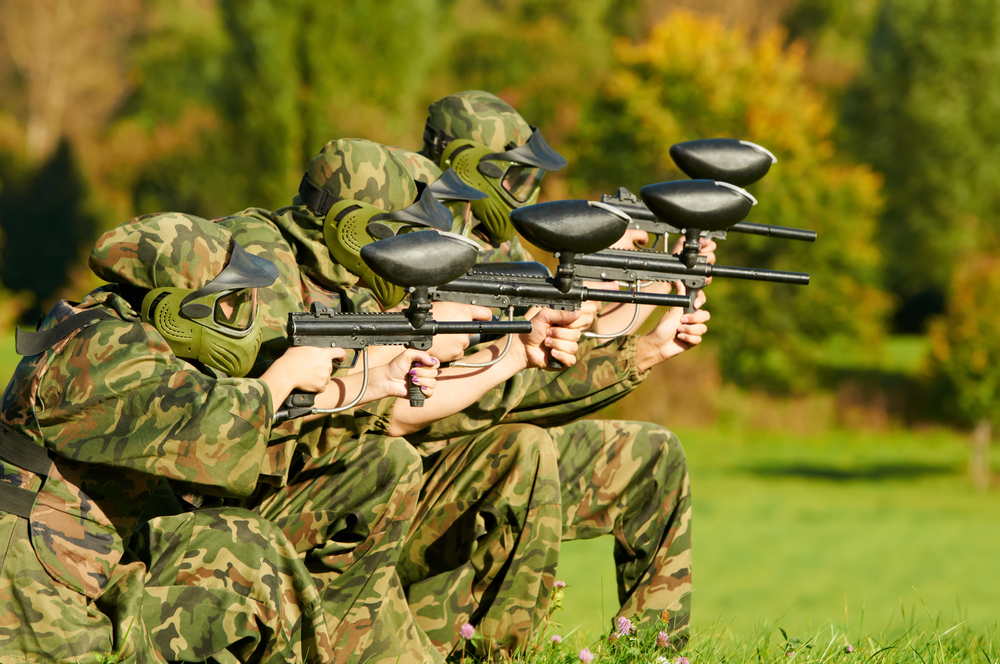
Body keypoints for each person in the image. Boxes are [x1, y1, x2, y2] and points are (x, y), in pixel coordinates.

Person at [221, 137, 583, 658]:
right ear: (355, 226)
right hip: (248, 511)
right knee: (386, 462)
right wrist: (404, 342)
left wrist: (514, 355)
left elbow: (386, 406)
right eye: (400, 231)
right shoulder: (264, 270)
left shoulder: (338, 267)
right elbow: (284, 411)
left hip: (334, 491)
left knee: (511, 448)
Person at [413, 90, 713, 645]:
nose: (531, 194)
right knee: (525, 448)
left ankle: (651, 653)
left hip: (488, 452)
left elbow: (559, 357)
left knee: (653, 456)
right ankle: (504, 654)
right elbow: (506, 394)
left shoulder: (504, 260)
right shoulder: (412, 254)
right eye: (520, 179)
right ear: (473, 171)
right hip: (430, 469)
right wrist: (632, 329)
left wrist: (646, 292)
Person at [0, 212, 342, 663]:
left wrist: (371, 383)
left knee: (247, 547)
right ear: (175, 308)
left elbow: (193, 401)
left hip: (76, 566)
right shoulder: (99, 353)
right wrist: (284, 376)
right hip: (29, 603)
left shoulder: (116, 329)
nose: (238, 317)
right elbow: (203, 425)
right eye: (228, 302)